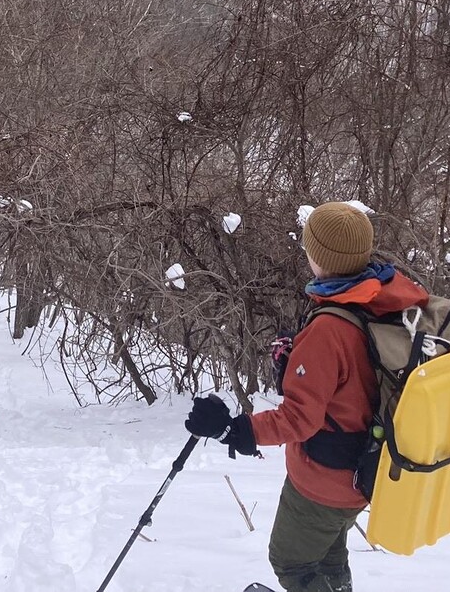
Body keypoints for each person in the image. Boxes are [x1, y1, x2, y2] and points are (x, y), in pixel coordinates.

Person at [184, 202, 434, 592]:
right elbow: (357, 377)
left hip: (325, 480)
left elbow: (300, 418)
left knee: (293, 563)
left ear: (317, 256)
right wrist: (300, 362)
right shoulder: (386, 298)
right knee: (330, 555)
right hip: (363, 473)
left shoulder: (331, 327)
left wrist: (233, 429)